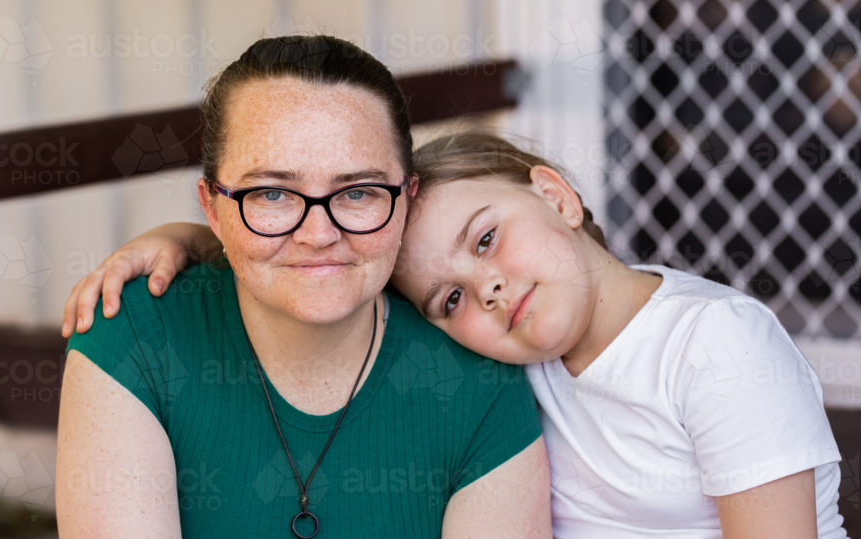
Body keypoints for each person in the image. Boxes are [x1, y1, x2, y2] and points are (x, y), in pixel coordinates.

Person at [65, 130, 848, 539]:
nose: (488, 289)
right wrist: (188, 239)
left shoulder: (715, 343)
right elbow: (325, 260)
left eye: (485, 239)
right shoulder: (519, 357)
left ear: (555, 195)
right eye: (448, 300)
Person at [55, 37, 551, 539]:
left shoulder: (476, 382)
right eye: (271, 193)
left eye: (358, 192)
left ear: (407, 198)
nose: (319, 235)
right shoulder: (136, 338)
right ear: (212, 209)